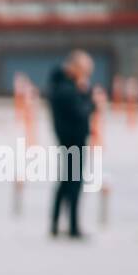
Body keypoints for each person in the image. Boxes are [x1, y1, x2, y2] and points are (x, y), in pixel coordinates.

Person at [47, 50, 96, 239]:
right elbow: (80, 111)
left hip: (70, 139)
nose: (87, 75)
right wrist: (88, 97)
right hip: (72, 139)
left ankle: (57, 224)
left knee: (67, 182)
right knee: (73, 183)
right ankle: (72, 227)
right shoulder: (65, 88)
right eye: (85, 70)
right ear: (74, 68)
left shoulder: (60, 84)